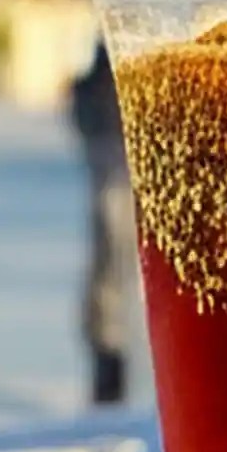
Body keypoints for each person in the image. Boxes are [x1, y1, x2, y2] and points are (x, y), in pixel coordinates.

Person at [70, 43, 144, 405]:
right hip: (116, 171)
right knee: (111, 264)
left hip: (128, 169)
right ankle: (108, 365)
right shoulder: (112, 54)